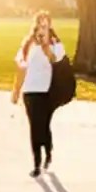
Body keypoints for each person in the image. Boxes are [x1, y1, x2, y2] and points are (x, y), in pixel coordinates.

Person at [13, 11, 64, 178]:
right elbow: (21, 68)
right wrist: (16, 90)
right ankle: (36, 163)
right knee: (34, 127)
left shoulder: (55, 43)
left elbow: (54, 59)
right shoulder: (27, 44)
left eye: (45, 25)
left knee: (43, 125)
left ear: (49, 26)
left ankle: (48, 152)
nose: (41, 29)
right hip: (29, 91)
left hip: (47, 92)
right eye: (39, 25)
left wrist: (46, 47)